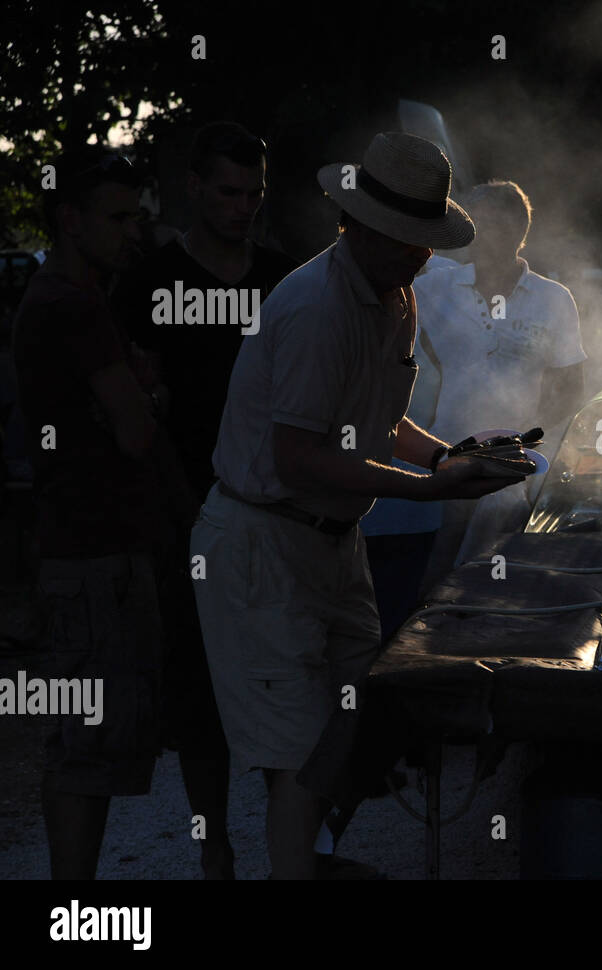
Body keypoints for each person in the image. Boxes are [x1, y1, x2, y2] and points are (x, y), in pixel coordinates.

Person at [189, 132, 530, 879]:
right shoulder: (315, 306)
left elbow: (381, 421)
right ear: (363, 226)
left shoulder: (394, 296)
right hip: (260, 543)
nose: (423, 257)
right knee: (294, 752)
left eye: (428, 242)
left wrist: (448, 456)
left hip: (331, 539)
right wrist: (431, 487)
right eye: (411, 241)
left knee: (348, 714)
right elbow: (299, 456)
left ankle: (309, 864)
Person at [111, 121, 298, 880]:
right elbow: (133, 404)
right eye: (228, 190)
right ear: (194, 187)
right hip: (189, 511)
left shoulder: (281, 280)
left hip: (275, 512)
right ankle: (213, 844)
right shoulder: (152, 283)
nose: (243, 206)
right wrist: (174, 506)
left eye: (254, 192)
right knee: (199, 696)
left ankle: (292, 846)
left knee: (282, 683)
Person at [12, 147, 190, 878]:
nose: (133, 233)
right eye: (117, 218)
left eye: (137, 217)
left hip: (84, 553)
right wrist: (148, 392)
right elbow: (136, 430)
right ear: (69, 219)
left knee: (90, 735)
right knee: (89, 743)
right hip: (94, 558)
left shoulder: (65, 298)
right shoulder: (74, 304)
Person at [413, 179, 586, 588]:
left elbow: (570, 386)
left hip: (513, 465)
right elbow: (409, 344)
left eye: (492, 225)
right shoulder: (435, 288)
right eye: (476, 224)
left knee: (490, 575)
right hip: (440, 454)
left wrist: (519, 441)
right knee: (435, 571)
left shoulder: (552, 298)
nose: (479, 235)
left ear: (518, 232)